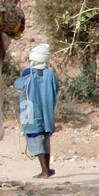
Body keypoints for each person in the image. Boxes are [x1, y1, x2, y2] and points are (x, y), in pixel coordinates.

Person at [15, 43, 60, 178]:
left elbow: (18, 85)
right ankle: (47, 168)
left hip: (31, 113)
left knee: (36, 139)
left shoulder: (28, 75)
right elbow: (56, 88)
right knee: (45, 140)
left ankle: (44, 171)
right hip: (47, 112)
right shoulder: (50, 74)